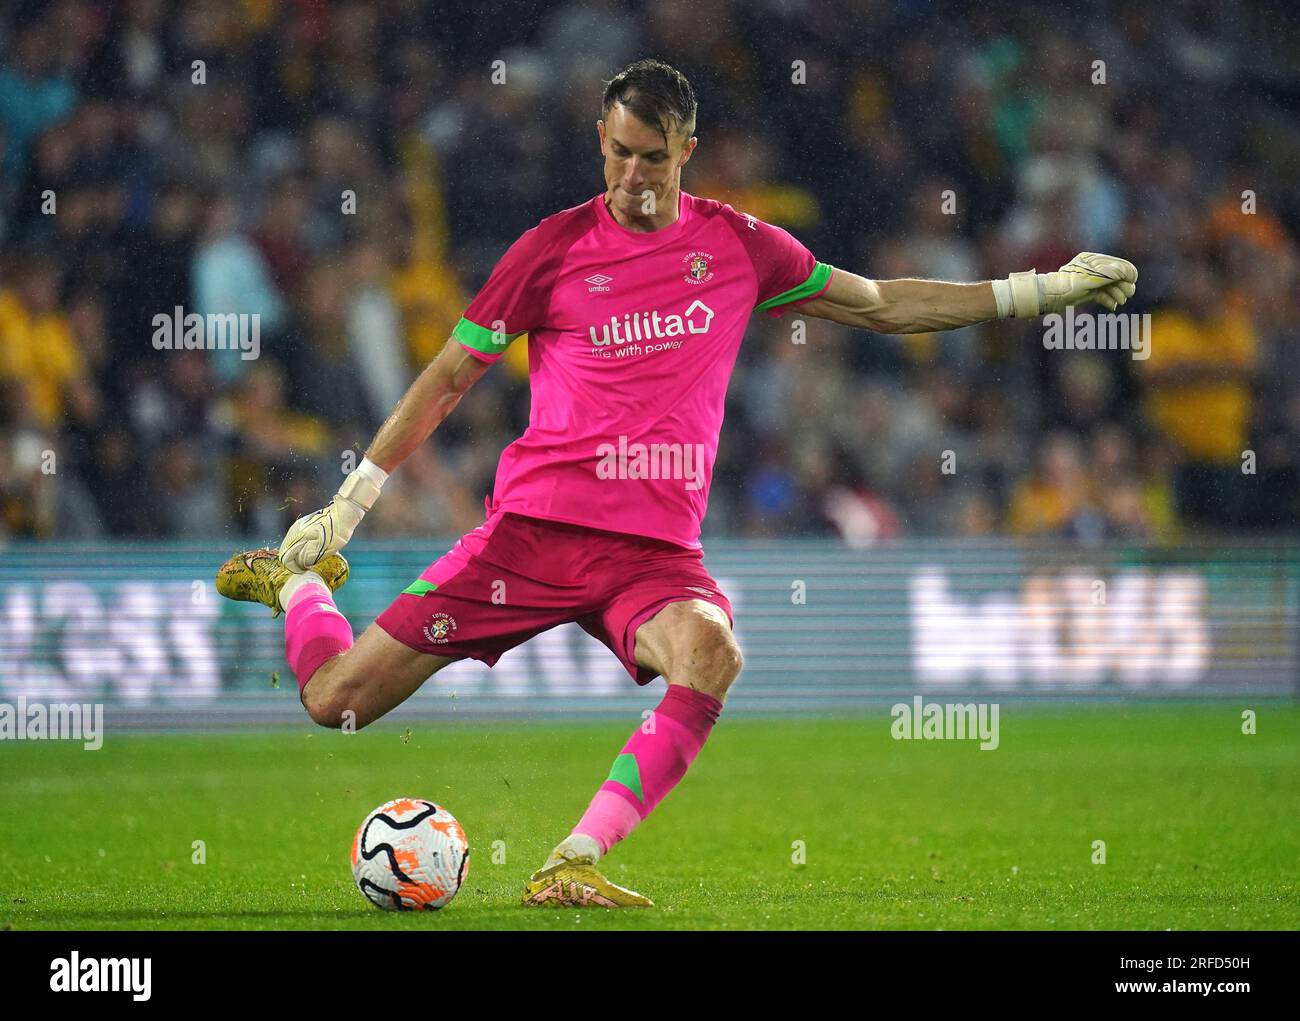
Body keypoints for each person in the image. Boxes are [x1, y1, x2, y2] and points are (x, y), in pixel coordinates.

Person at [216, 58, 1137, 908]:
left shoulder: (740, 248)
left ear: (687, 150)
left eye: (653, 158)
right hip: (530, 539)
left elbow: (884, 305)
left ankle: (572, 858)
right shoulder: (551, 248)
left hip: (652, 559)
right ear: (601, 142)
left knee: (714, 653)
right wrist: (351, 501)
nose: (632, 177)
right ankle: (297, 584)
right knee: (335, 702)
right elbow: (451, 374)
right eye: (618, 153)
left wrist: (1036, 291)